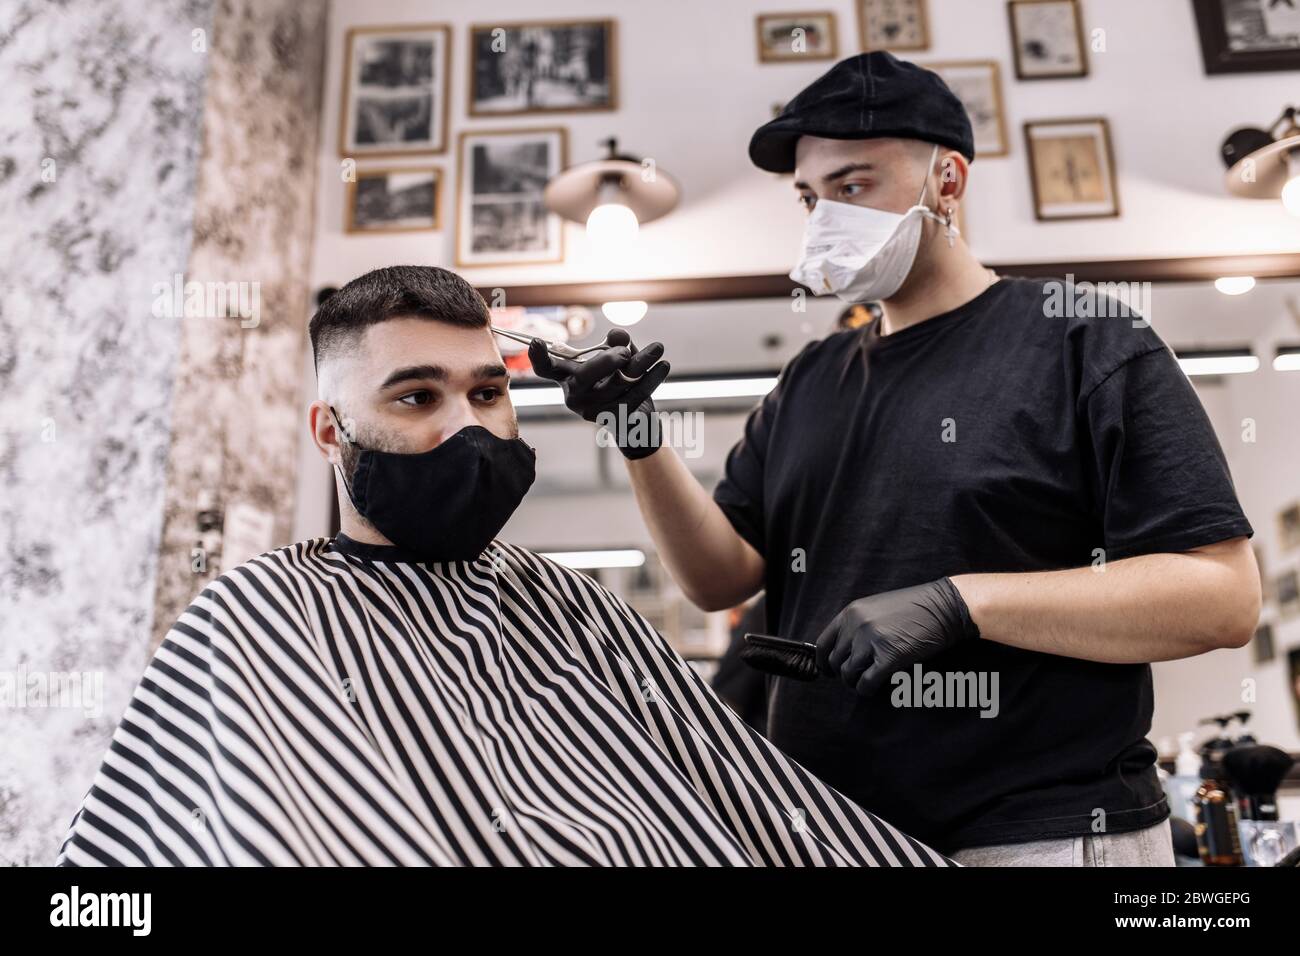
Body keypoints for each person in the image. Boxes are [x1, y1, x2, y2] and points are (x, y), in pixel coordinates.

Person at [528, 53, 1262, 866]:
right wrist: (637, 432)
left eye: (853, 186)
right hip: (828, 831)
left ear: (947, 180)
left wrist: (961, 603)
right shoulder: (811, 381)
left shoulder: (1084, 341)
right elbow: (720, 577)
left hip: (1041, 835)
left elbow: (1221, 598)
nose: (824, 217)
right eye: (810, 198)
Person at [55, 265, 950, 867]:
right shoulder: (254, 619)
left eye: (488, 392)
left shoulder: (573, 609)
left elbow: (752, 810)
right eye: (416, 396)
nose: (469, 425)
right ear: (331, 431)